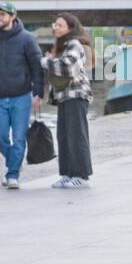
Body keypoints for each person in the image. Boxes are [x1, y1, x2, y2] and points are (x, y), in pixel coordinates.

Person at [0, 2, 43, 190]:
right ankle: (14, 160)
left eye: (2, 14)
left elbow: (37, 68)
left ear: (12, 16)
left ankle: (12, 174)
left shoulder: (27, 39)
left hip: (22, 96)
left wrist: (38, 93)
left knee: (19, 137)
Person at [40, 13, 94, 188]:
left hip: (76, 95)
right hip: (64, 97)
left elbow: (67, 67)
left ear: (70, 28)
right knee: (63, 136)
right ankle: (67, 173)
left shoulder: (74, 44)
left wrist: (46, 61)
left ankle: (81, 175)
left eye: (60, 25)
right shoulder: (61, 46)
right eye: (55, 24)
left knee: (76, 135)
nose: (56, 27)